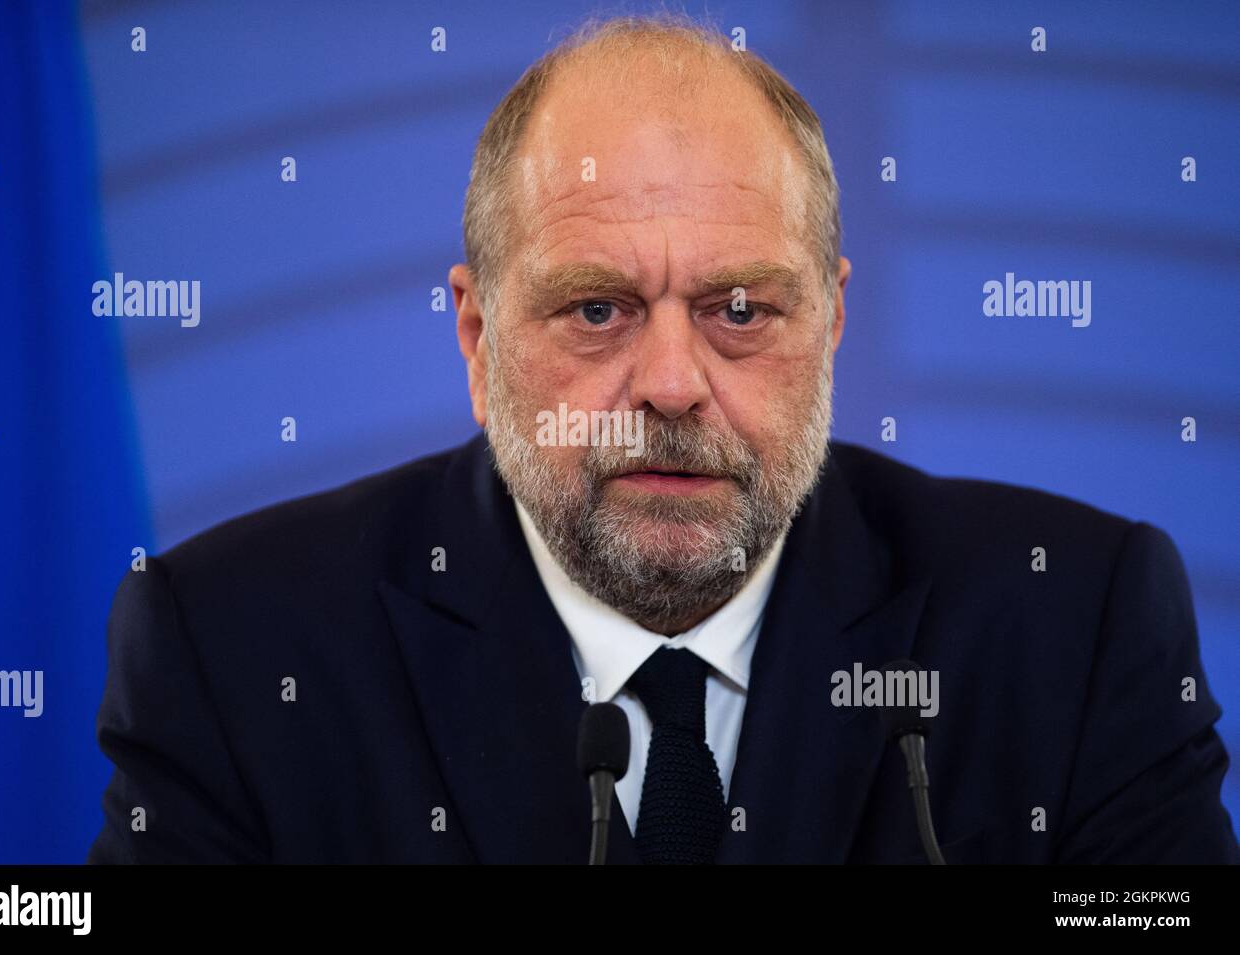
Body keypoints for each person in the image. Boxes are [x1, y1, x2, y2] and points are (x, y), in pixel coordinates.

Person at [88, 15, 1238, 864]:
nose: (675, 384)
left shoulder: (1071, 626)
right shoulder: (238, 646)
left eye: (742, 309)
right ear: (478, 338)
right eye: (597, 310)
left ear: (832, 321)